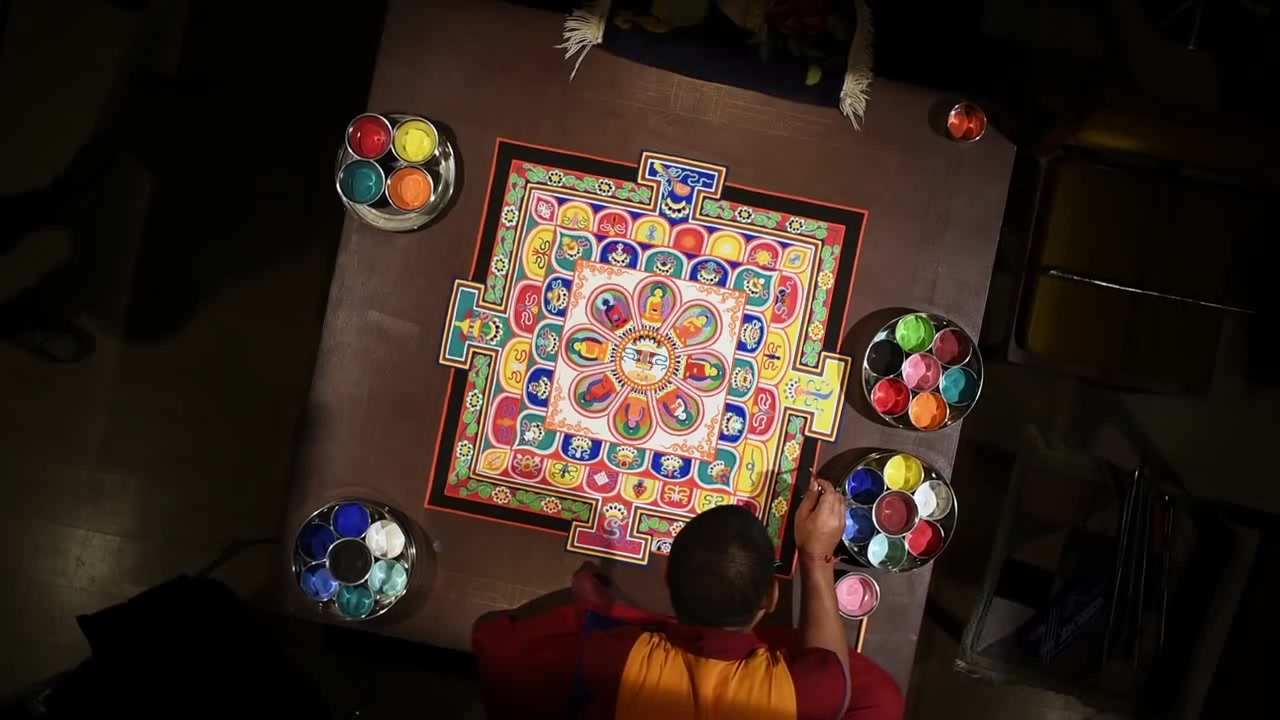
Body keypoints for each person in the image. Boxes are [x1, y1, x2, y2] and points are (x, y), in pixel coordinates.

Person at [472, 478, 905, 719]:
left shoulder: (615, 656)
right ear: (772, 597)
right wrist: (815, 556)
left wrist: (582, 610)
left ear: (666, 576)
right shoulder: (805, 692)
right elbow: (838, 677)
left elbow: (491, 640)